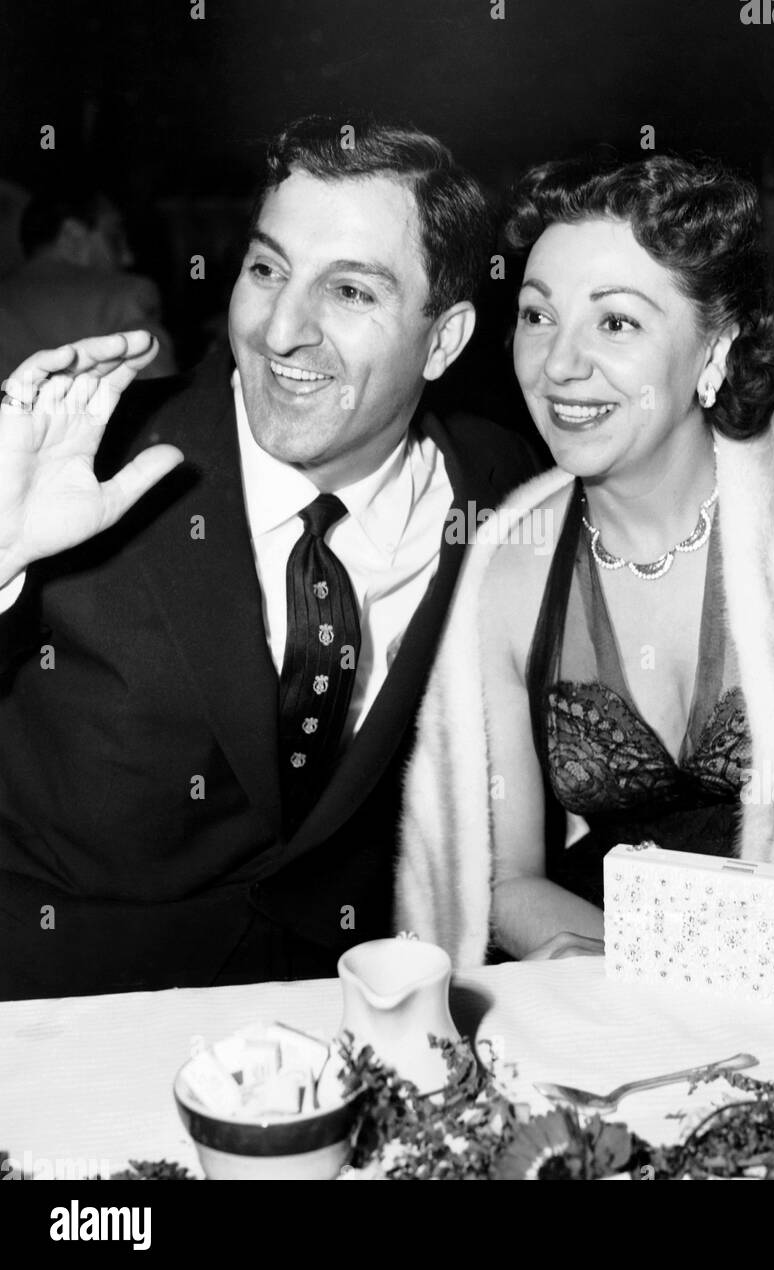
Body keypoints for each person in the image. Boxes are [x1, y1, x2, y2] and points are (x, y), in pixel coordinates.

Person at [396, 151, 774, 966]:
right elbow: (500, 879)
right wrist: (603, 968)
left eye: (616, 322)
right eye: (538, 316)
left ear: (714, 350)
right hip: (616, 958)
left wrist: (693, 957)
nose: (559, 363)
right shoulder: (511, 559)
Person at [0, 115, 538, 1000]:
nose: (281, 330)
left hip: (349, 1020)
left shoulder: (499, 483)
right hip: (63, 1010)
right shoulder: (89, 460)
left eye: (351, 293)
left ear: (442, 341)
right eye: (266, 270)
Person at [0, 185, 177, 380]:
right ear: (73, 236)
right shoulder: (126, 297)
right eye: (114, 238)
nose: (128, 257)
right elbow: (164, 403)